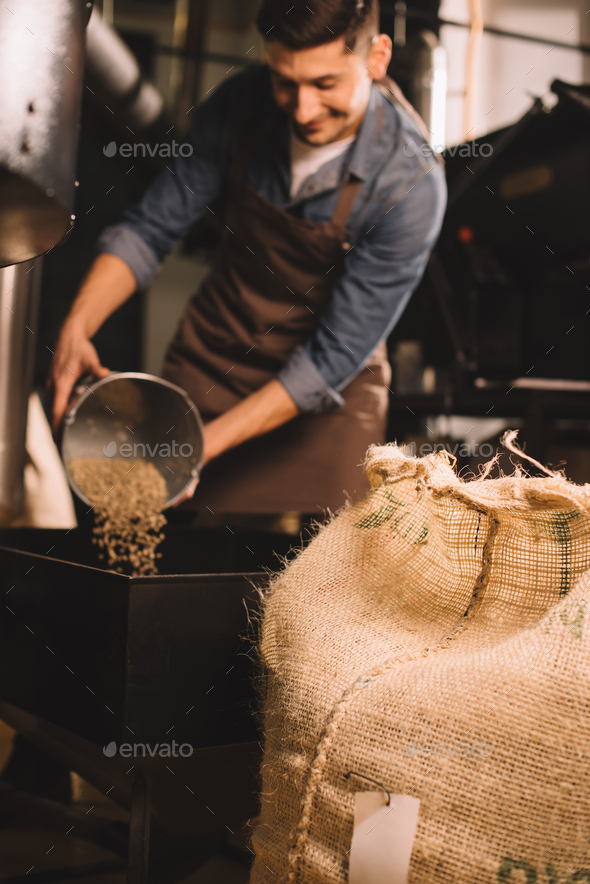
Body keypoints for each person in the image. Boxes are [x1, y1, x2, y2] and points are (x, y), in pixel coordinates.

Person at [49, 0, 446, 516]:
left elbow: (329, 361)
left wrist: (199, 448)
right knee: (174, 567)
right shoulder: (239, 104)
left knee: (309, 579)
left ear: (377, 56)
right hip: (213, 359)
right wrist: (78, 325)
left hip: (324, 408)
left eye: (325, 84)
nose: (302, 110)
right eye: (285, 81)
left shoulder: (411, 182)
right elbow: (151, 229)